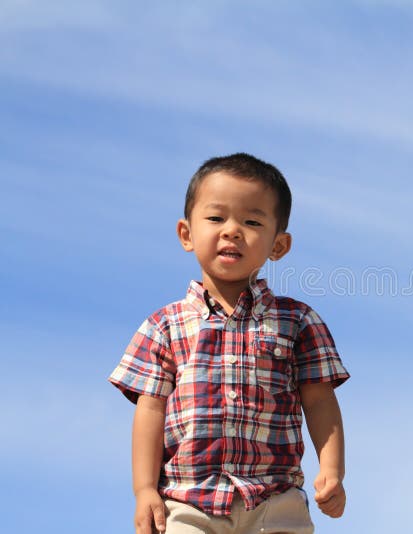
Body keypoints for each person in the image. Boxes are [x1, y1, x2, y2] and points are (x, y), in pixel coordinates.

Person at [109, 153, 349, 534]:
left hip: (276, 500)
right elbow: (150, 411)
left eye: (252, 221)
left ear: (278, 245)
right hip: (188, 501)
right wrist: (144, 490)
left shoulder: (297, 321)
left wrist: (332, 470)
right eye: (216, 218)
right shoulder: (164, 326)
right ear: (186, 234)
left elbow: (320, 401)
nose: (232, 230)